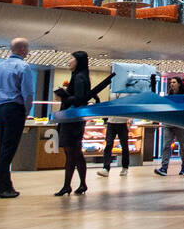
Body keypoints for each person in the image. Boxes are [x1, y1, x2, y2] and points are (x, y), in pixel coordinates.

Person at [0, 38, 33, 199]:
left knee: (4, 147)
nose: (28, 51)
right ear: (22, 49)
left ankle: (7, 186)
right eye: (27, 48)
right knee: (9, 150)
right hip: (14, 109)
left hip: (0, 108)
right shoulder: (23, 67)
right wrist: (27, 111)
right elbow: (27, 93)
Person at [54, 50, 100, 196]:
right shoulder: (81, 76)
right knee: (75, 153)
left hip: (72, 120)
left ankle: (68, 185)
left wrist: (65, 96)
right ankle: (81, 184)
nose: (69, 62)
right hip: (75, 120)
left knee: (71, 153)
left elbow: (80, 98)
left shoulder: (79, 78)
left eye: (71, 59)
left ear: (78, 61)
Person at [154, 76, 184, 177]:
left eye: (174, 82)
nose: (171, 84)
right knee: (166, 146)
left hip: (180, 124)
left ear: (179, 84)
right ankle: (164, 168)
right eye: (171, 82)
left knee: (183, 146)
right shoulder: (168, 96)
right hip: (168, 124)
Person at [97, 112, 131, 177]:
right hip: (111, 123)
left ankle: (125, 167)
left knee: (124, 146)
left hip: (123, 123)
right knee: (108, 145)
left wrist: (130, 120)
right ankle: (106, 168)